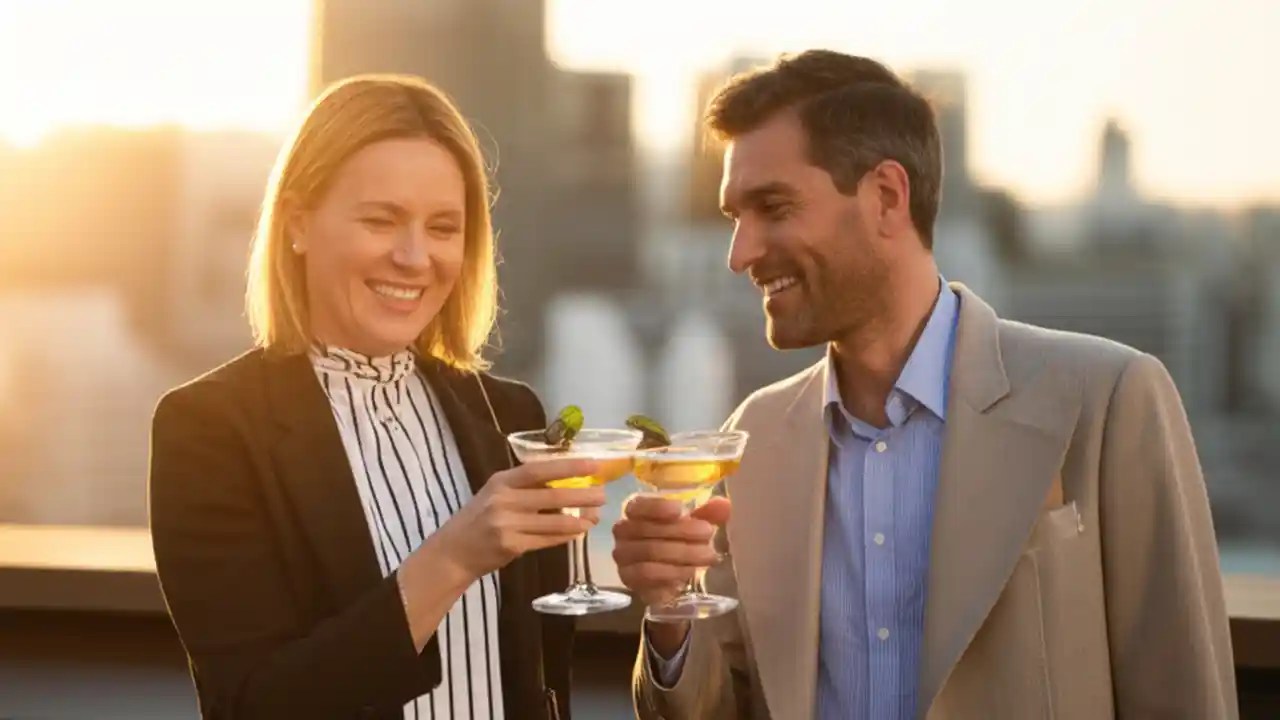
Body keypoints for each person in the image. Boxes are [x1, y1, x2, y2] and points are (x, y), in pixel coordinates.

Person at [613, 50, 1237, 719]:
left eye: (774, 207)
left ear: (886, 196)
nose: (740, 253)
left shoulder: (1109, 397)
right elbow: (725, 705)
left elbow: (1185, 693)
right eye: (735, 217)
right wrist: (672, 608)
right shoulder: (755, 435)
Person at [149, 74, 599, 720]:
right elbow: (255, 706)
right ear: (298, 222)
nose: (415, 257)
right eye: (381, 220)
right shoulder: (210, 432)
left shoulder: (511, 415)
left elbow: (547, 679)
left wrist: (667, 606)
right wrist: (452, 558)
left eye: (444, 227)